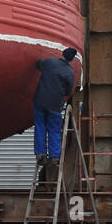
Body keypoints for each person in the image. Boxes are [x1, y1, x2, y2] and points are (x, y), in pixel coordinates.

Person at [33, 47, 83, 178]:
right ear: (72, 59)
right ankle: (54, 157)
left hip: (40, 101)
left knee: (40, 127)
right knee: (54, 130)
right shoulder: (69, 72)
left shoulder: (49, 62)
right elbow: (68, 91)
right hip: (55, 105)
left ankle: (41, 155)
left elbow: (38, 64)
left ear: (62, 54)